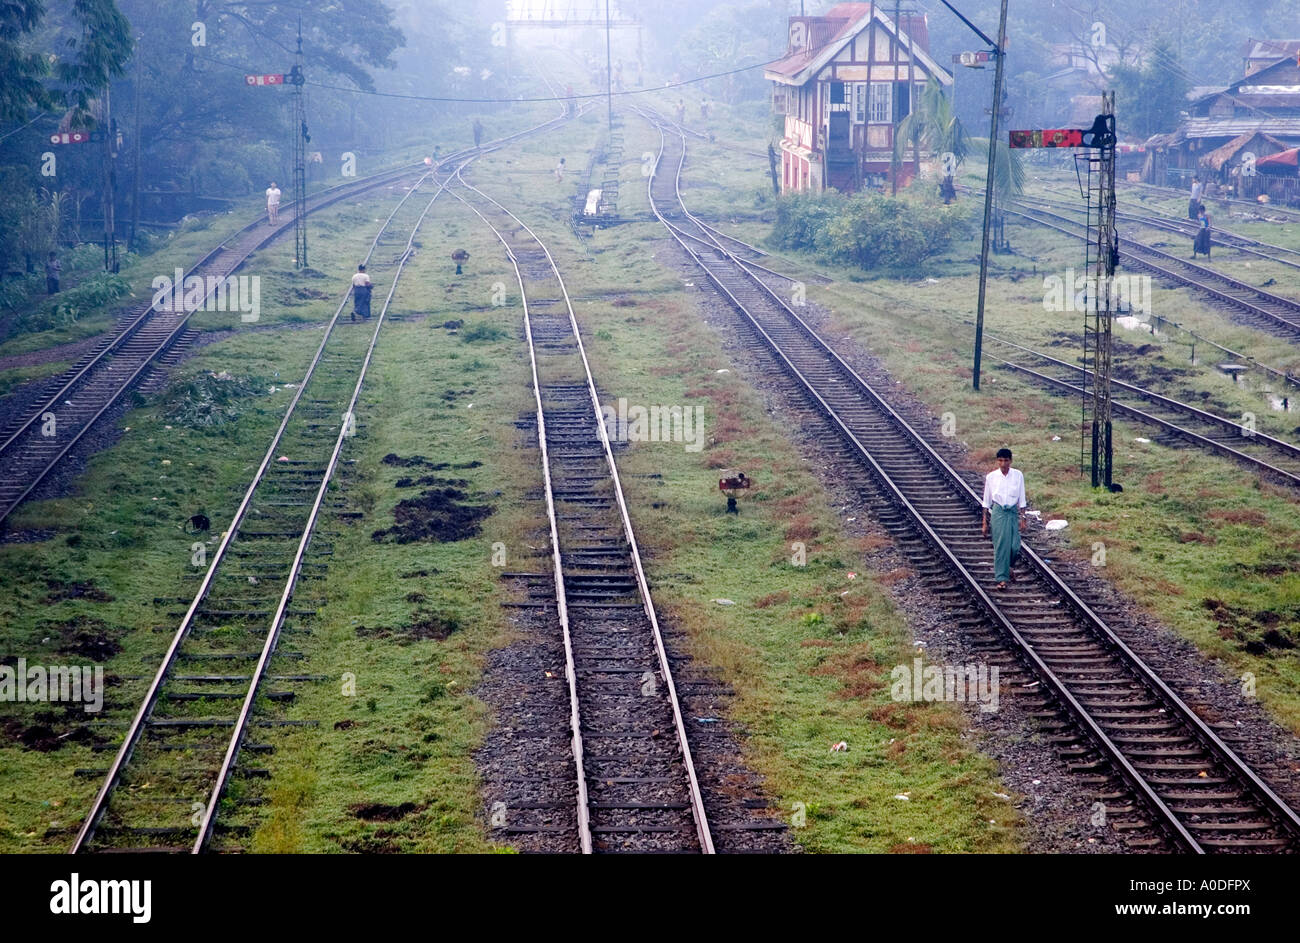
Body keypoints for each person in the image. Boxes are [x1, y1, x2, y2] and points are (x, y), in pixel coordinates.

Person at [981, 447, 1027, 590]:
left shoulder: (1018, 475)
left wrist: (1023, 517)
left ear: (1010, 461)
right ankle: (1001, 579)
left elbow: (1022, 497)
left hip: (1012, 512)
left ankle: (1009, 567)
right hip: (998, 512)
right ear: (997, 461)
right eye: (1000, 460)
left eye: (1006, 460)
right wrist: (984, 523)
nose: (1003, 464)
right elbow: (986, 501)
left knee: (1015, 546)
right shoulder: (991, 477)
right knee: (1001, 546)